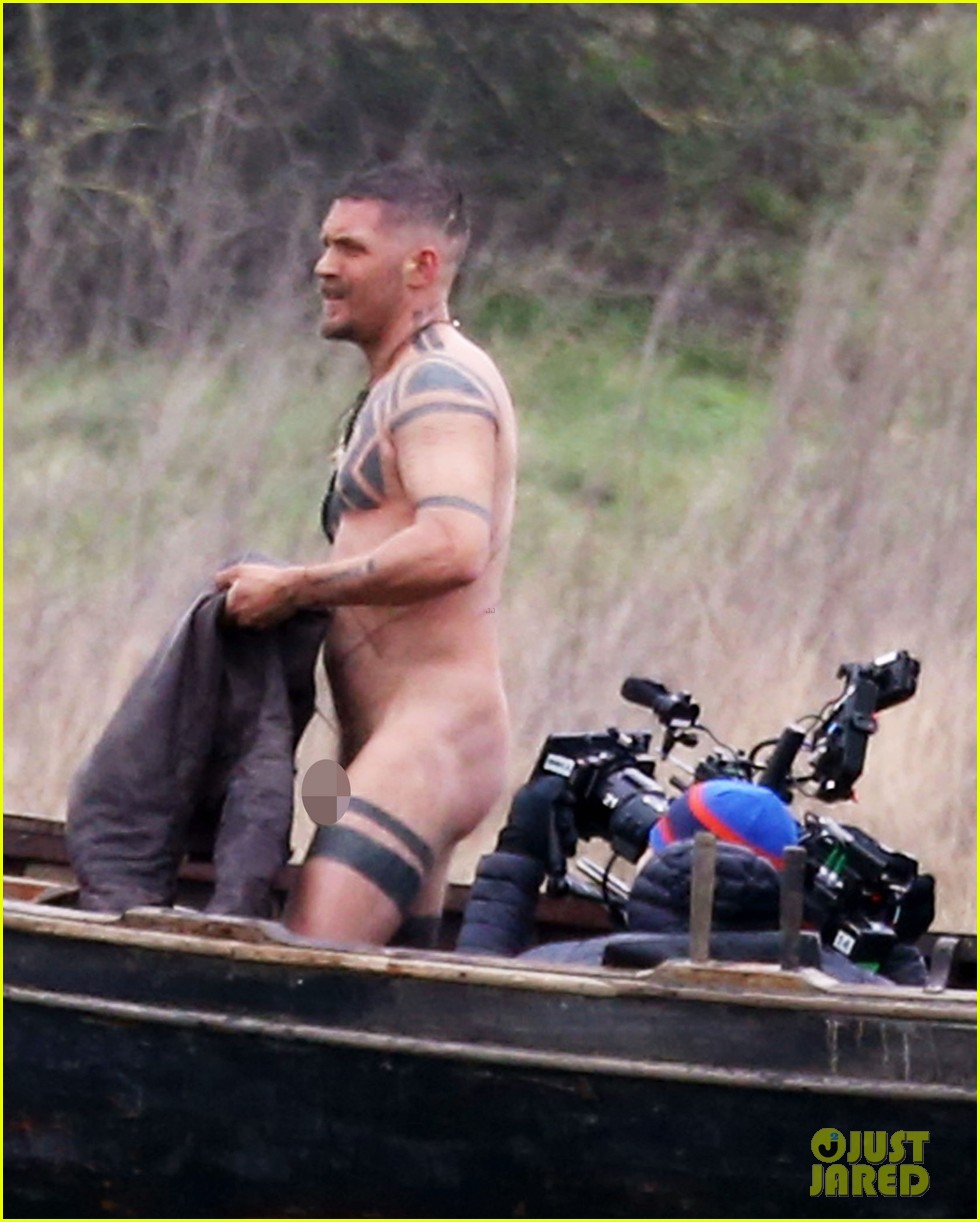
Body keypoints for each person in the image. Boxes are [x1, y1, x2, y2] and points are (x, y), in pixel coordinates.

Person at [215, 163, 517, 947]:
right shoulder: (396, 383)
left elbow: (454, 547)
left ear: (421, 266)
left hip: (432, 735)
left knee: (305, 966)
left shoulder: (441, 383)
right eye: (324, 245)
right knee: (387, 993)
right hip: (373, 744)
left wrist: (294, 588)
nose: (323, 267)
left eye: (349, 248)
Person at [457, 777, 929, 985]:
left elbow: (471, 997)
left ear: (665, 861)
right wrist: (893, 945)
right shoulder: (850, 990)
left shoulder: (564, 968)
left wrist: (518, 854)